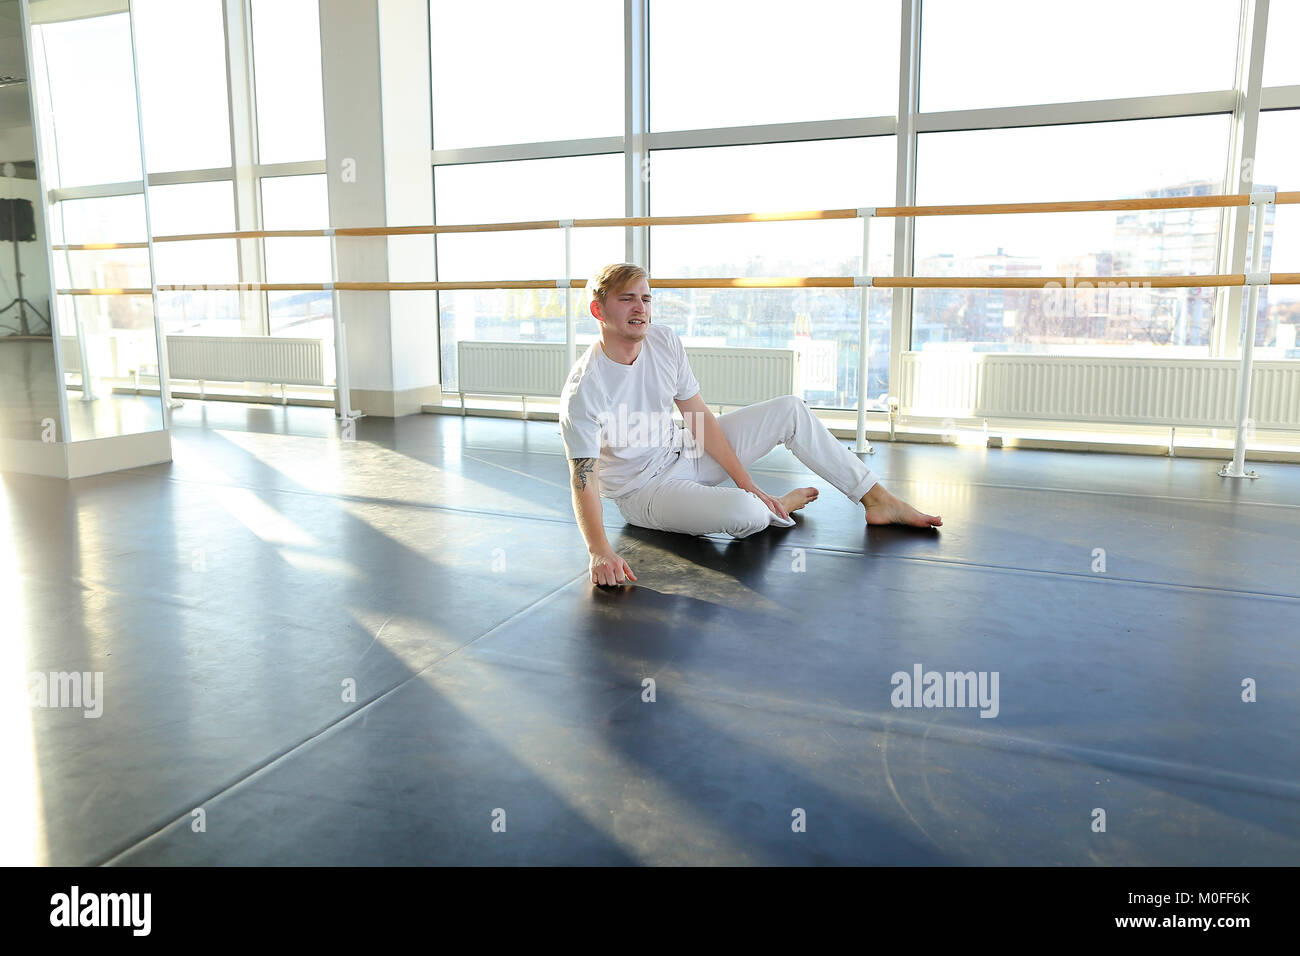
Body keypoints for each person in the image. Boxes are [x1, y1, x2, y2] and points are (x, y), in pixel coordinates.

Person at [560, 262, 943, 586]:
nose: (640, 307)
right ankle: (775, 509)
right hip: (644, 491)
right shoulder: (585, 388)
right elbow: (584, 477)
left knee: (789, 409)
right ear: (599, 311)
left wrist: (749, 483)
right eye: (627, 298)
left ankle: (877, 500)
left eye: (645, 298)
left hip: (682, 448)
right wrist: (599, 551)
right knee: (746, 513)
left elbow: (697, 416)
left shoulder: (664, 341)